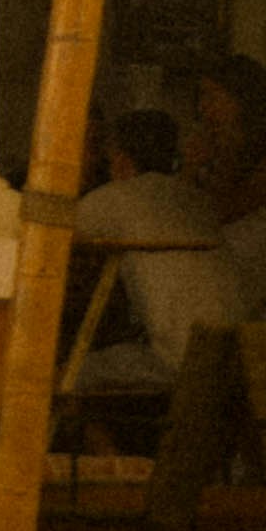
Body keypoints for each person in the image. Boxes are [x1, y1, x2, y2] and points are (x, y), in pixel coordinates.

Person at [68, 107, 234, 393]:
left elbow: (46, 240)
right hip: (230, 351)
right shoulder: (197, 200)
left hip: (176, 358)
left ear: (118, 158)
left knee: (65, 375)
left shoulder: (113, 198)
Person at [185, 54, 266, 321]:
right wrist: (191, 168)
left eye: (212, 96)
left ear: (242, 100)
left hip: (248, 299)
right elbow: (182, 215)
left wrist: (221, 156)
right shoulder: (215, 157)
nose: (203, 108)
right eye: (202, 97)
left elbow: (217, 217)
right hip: (210, 287)